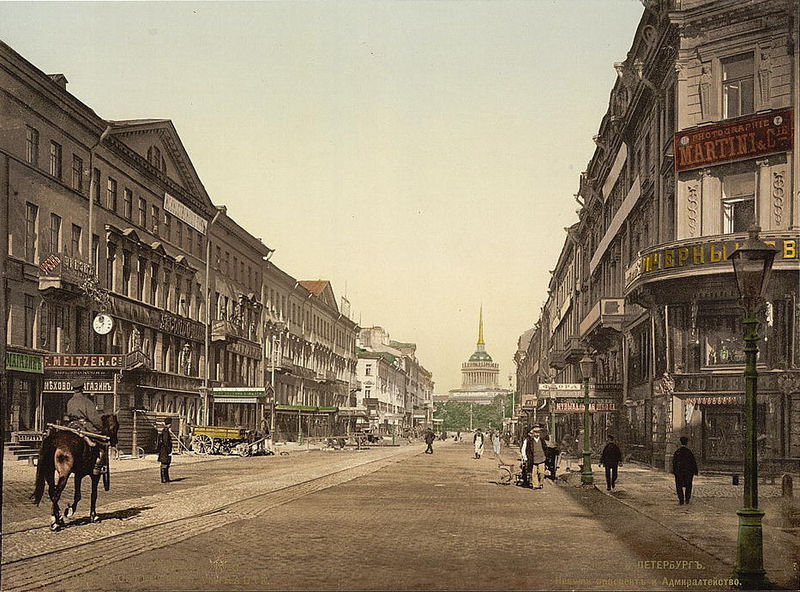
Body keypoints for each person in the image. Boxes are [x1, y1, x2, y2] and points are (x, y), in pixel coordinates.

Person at [65, 381, 108, 475]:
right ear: (82, 389)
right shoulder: (86, 402)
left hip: (71, 425)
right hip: (83, 425)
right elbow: (94, 419)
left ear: (73, 389)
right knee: (102, 443)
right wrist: (100, 428)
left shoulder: (70, 401)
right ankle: (97, 466)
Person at [672, 436, 698, 505]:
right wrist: (695, 471)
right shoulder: (689, 452)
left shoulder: (677, 452)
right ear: (687, 443)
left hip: (679, 472)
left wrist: (674, 471)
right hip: (688, 472)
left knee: (679, 485)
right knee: (688, 485)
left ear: (680, 442)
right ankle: (687, 499)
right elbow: (693, 462)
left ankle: (681, 500)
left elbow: (674, 462)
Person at [157, 417, 174, 483]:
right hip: (165, 450)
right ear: (170, 423)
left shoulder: (165, 430)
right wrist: (168, 450)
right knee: (164, 464)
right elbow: (166, 442)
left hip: (164, 450)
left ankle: (166, 478)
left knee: (166, 464)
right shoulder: (166, 431)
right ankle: (164, 479)